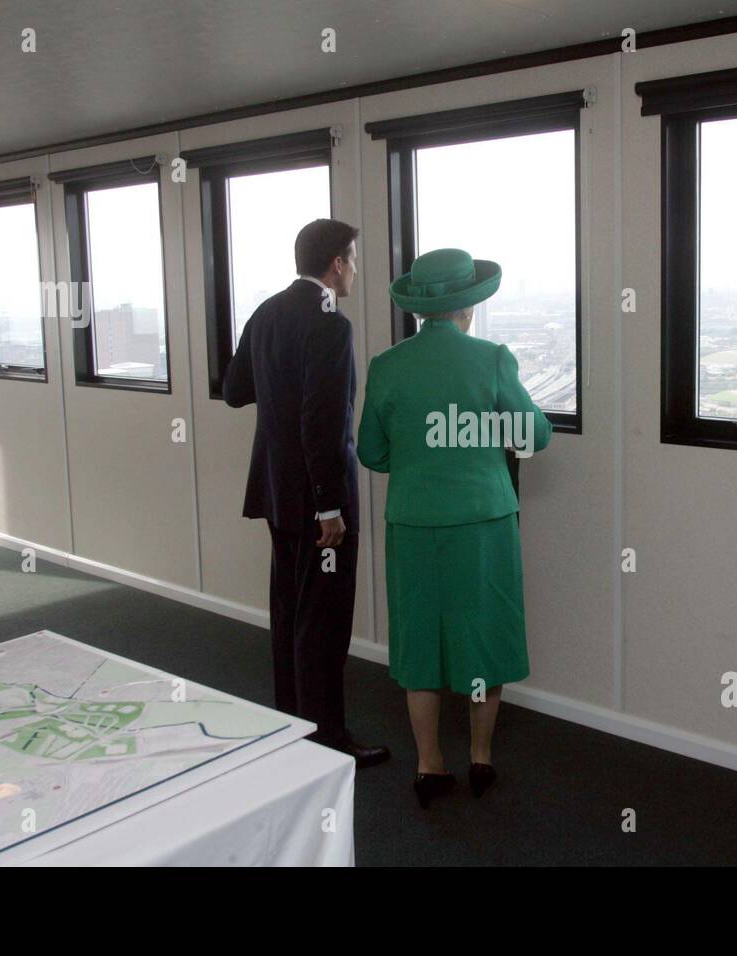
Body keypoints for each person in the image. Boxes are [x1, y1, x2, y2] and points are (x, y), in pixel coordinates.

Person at [356, 248, 551, 807]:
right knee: (483, 639)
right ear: (469, 307)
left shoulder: (387, 365)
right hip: (483, 523)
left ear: (419, 309)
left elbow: (371, 452)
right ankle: (481, 758)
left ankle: (429, 766)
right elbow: (534, 436)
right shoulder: (492, 359)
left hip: (414, 521)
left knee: (420, 642)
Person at [223, 218, 389, 770]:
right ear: (337, 264)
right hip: (321, 508)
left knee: (289, 612)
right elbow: (323, 423)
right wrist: (329, 506)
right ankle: (327, 740)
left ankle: (291, 728)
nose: (355, 271)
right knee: (323, 622)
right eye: (353, 260)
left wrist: (279, 390)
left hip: (276, 493)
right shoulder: (330, 325)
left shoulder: (267, 311)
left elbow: (234, 391)